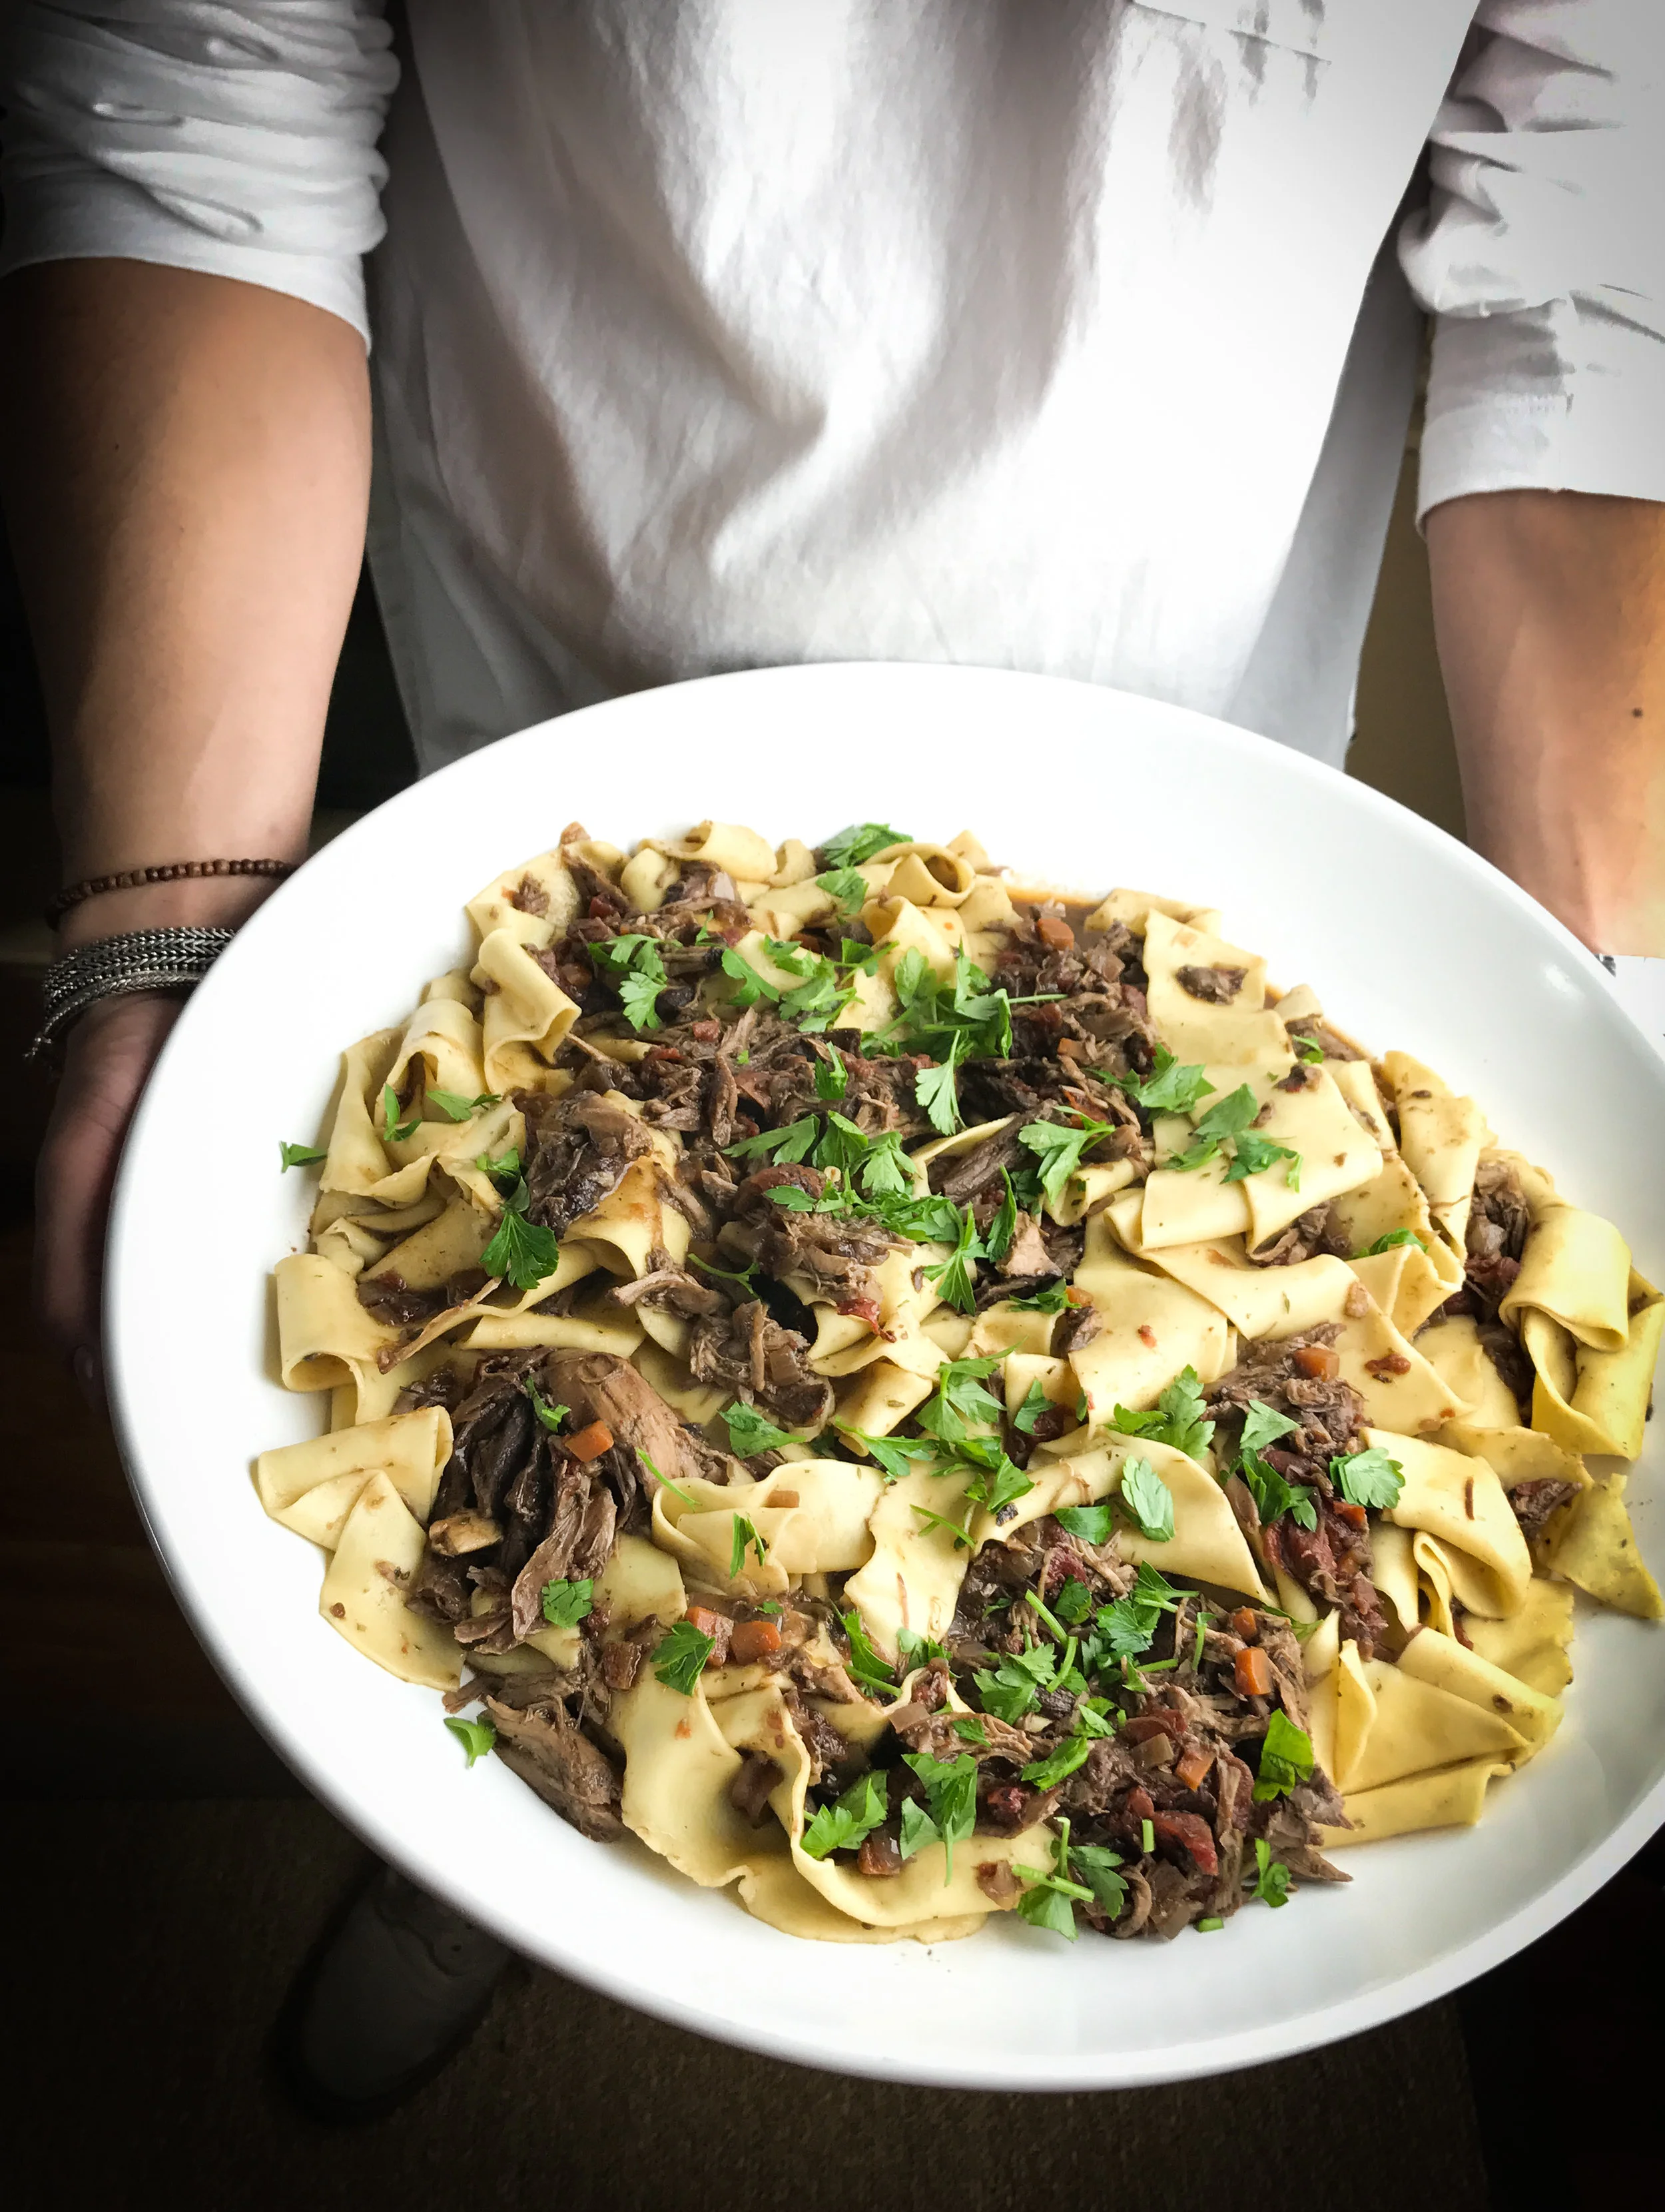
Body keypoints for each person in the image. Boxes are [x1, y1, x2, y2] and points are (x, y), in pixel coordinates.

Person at [2, 0, 1660, 2119]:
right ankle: (506, 1842)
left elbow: (1606, 212)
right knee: (542, 1574)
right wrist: (163, 917)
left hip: (1199, 770)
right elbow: (191, 80)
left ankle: (617, 1828)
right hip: (561, 718)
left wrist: (1594, 1006)